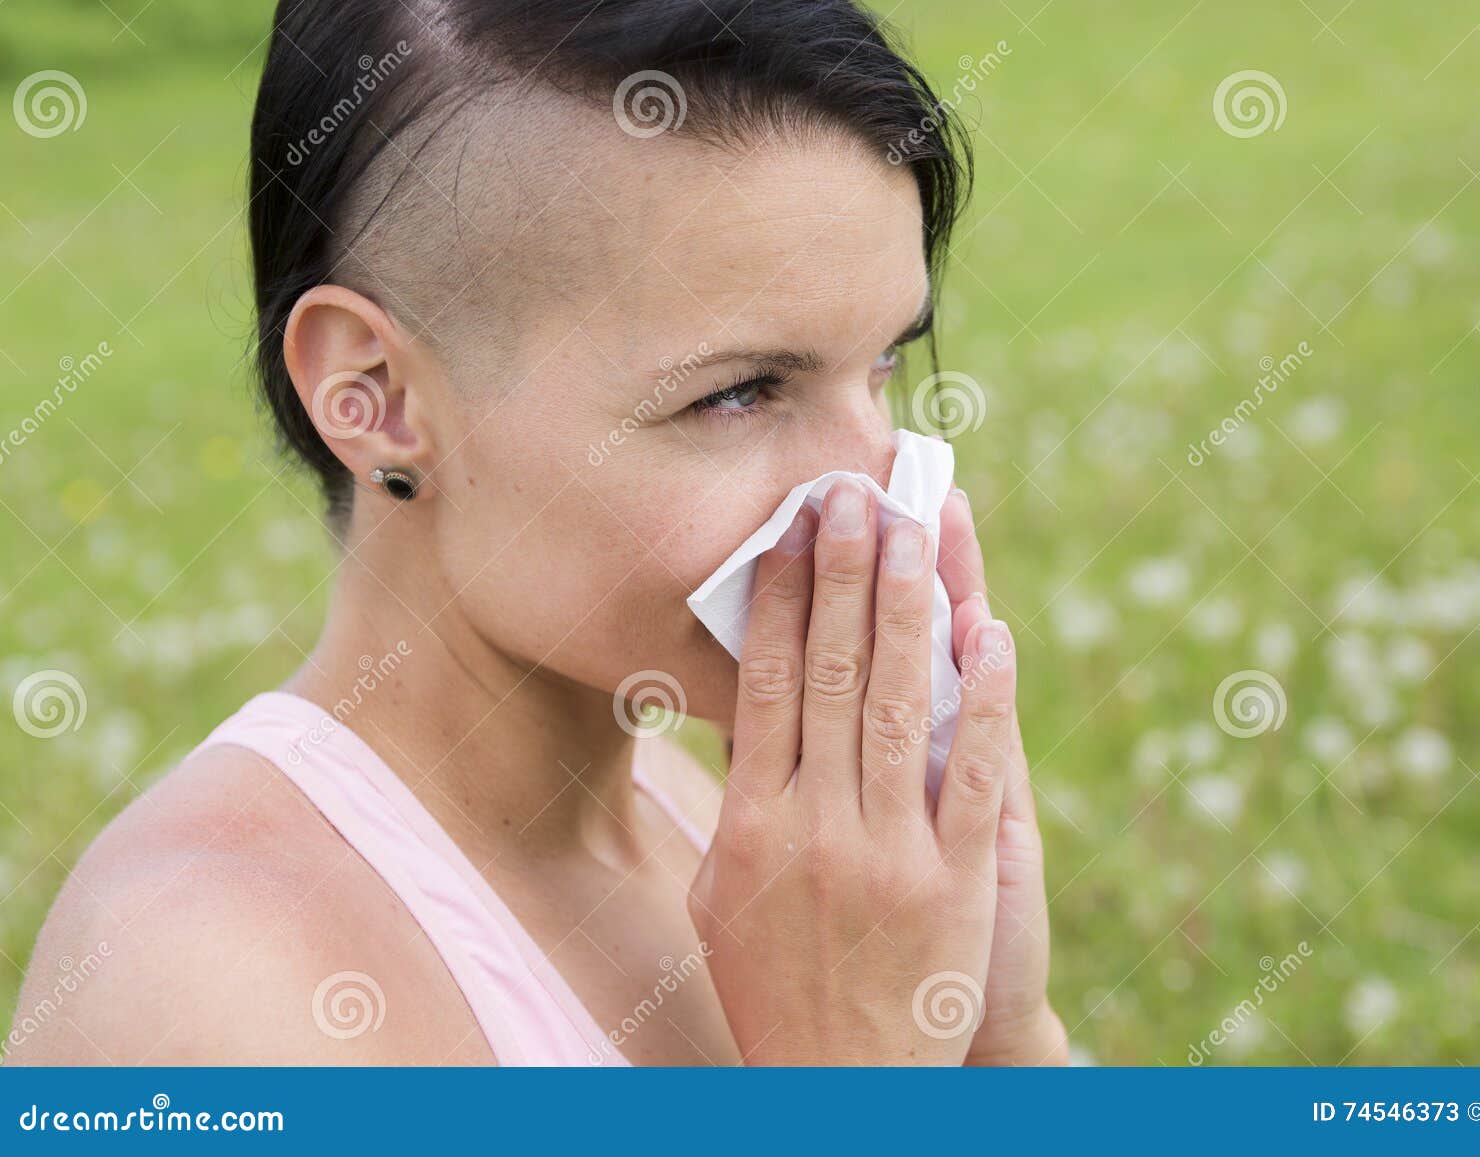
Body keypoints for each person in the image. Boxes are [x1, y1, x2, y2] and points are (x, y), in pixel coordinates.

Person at [9, 0, 1065, 1066]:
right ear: (375, 393)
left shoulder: (716, 829)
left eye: (882, 364)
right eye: (739, 393)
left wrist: (996, 1033)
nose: (874, 497)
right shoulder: (197, 985)